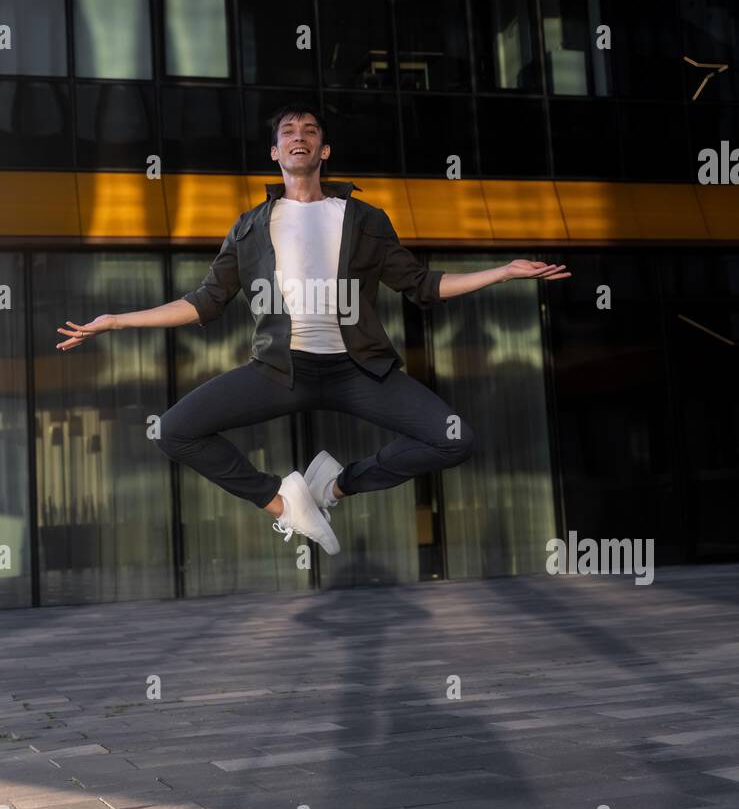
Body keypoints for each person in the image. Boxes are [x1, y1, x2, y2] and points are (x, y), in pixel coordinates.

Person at [57, 104, 571, 555]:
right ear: (275, 153)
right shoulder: (251, 225)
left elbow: (422, 285)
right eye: (287, 131)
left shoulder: (363, 217)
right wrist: (118, 320)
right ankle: (286, 503)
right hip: (282, 369)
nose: (298, 135)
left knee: (454, 440)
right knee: (173, 430)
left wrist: (501, 272)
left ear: (324, 151)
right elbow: (204, 302)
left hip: (359, 369)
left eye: (308, 130)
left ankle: (333, 486)